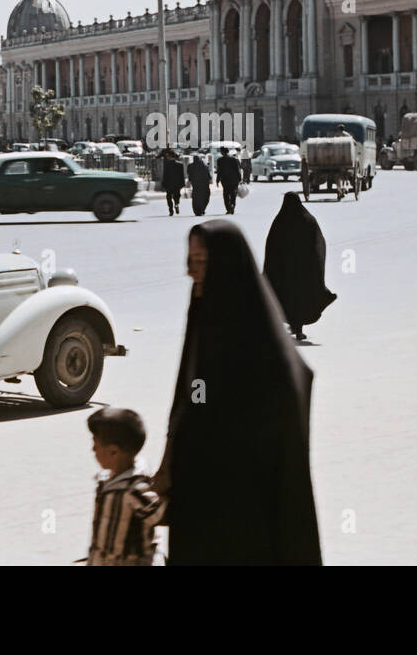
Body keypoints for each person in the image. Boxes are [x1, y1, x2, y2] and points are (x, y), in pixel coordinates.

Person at [153, 221, 321, 564]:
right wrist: (171, 458)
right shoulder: (206, 313)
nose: (190, 272)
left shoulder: (261, 345)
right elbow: (191, 391)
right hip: (201, 488)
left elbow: (270, 418)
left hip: (244, 502)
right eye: (189, 261)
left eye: (200, 263)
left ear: (225, 267)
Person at [85, 407, 166, 566]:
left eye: (96, 445)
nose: (93, 449)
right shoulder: (108, 479)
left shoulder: (135, 490)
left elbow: (162, 515)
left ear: (114, 451)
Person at [264, 192, 337, 342]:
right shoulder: (308, 220)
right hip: (304, 271)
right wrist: (316, 266)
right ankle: (298, 328)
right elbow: (318, 246)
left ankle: (294, 326)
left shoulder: (280, 222)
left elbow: (271, 248)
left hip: (285, 273)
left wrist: (270, 270)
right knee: (300, 299)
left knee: (288, 298)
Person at [215, 146, 242, 215]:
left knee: (226, 194)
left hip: (225, 180)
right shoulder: (234, 159)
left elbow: (219, 172)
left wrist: (217, 180)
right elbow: (237, 170)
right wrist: (240, 178)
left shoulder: (220, 160)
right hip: (234, 180)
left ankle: (228, 208)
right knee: (233, 194)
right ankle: (232, 205)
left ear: (222, 152)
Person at [161, 148, 185, 217]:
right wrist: (182, 184)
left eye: (168, 156)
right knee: (177, 196)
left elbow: (165, 175)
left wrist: (164, 183)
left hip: (169, 184)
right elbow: (182, 176)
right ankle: (176, 204)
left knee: (169, 197)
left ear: (170, 156)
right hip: (177, 184)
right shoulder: (180, 165)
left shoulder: (167, 165)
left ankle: (171, 209)